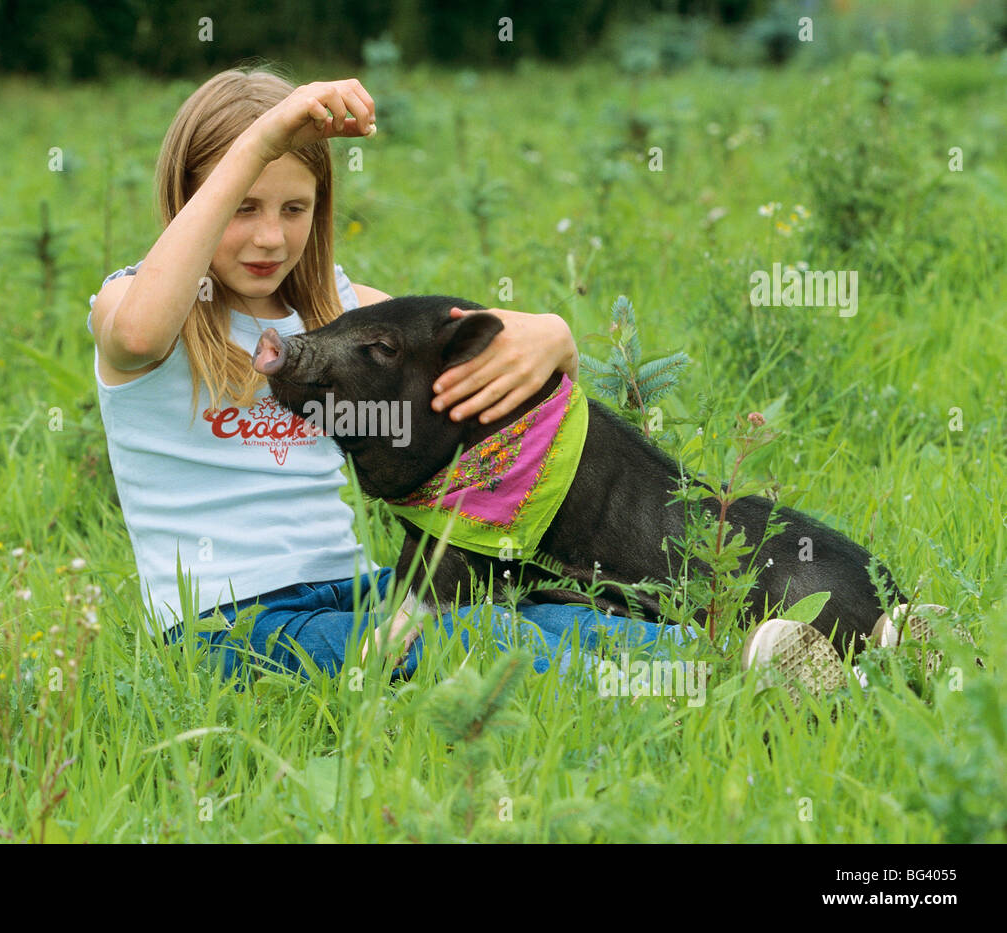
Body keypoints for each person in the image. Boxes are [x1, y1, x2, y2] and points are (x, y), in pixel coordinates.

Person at [86, 64, 854, 691]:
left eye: (294, 208)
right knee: (471, 641)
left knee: (533, 610)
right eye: (242, 204)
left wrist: (553, 332)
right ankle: (716, 681)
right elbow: (140, 327)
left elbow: (484, 337)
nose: (269, 235)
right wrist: (259, 138)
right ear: (191, 199)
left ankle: (823, 649)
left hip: (357, 586)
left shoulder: (335, 310)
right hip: (228, 627)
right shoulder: (140, 307)